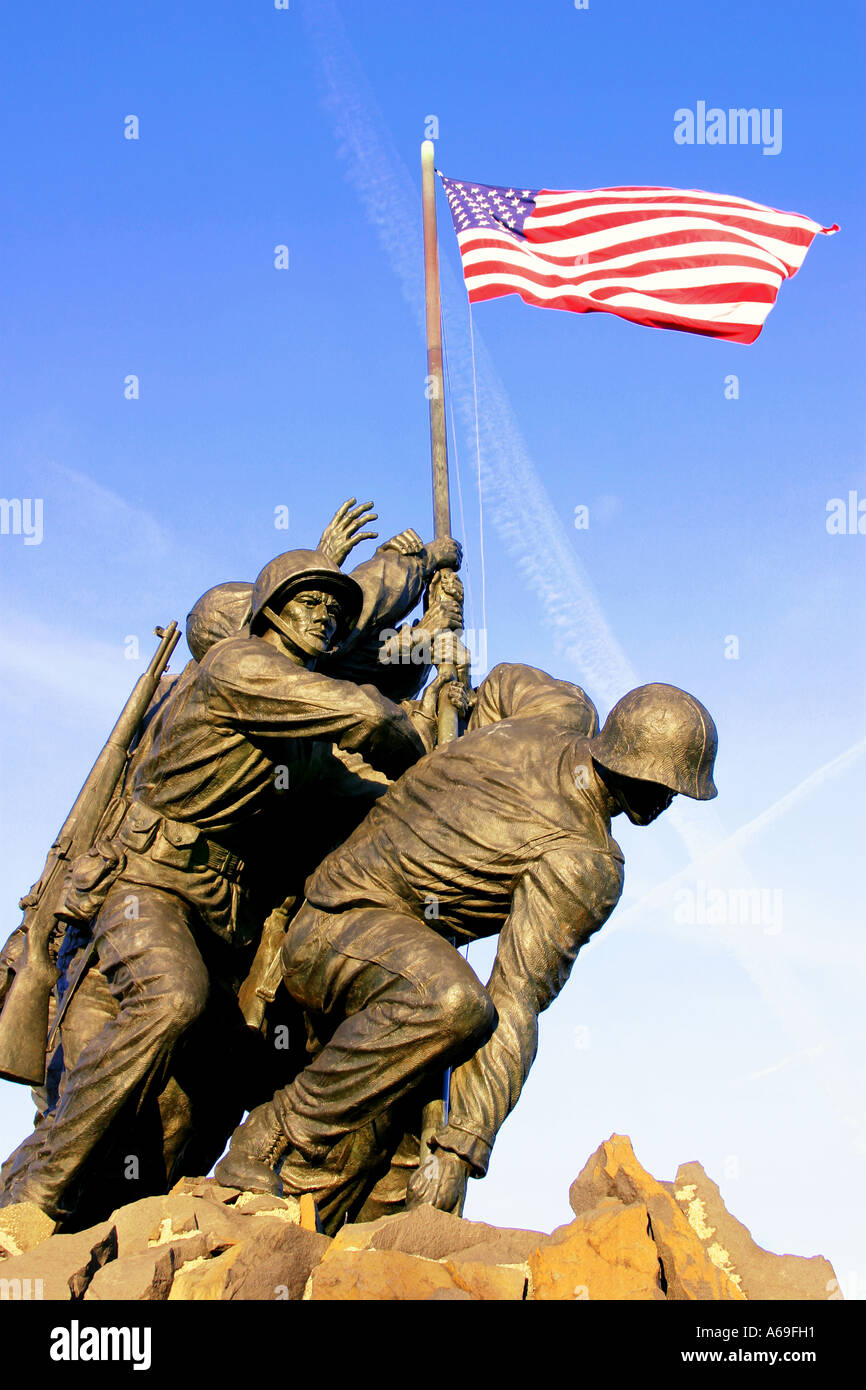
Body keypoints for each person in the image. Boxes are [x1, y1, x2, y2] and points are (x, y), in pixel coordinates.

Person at [0, 546, 449, 1222]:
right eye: (309, 602)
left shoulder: (298, 739)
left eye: (334, 609)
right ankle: (35, 1196)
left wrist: (446, 740)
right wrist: (412, 585)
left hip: (219, 922)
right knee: (170, 998)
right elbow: (366, 715)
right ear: (266, 611)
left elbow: (359, 789)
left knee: (214, 1089)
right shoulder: (239, 666)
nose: (324, 617)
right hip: (146, 886)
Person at [216, 667, 718, 1232]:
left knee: (394, 1162)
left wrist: (469, 747)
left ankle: (311, 1246)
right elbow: (514, 1000)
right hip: (339, 933)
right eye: (667, 785)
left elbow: (501, 682)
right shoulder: (585, 861)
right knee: (454, 1002)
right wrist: (463, 1149)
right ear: (629, 765)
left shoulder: (561, 708)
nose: (671, 800)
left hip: (388, 958)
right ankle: (268, 1136)